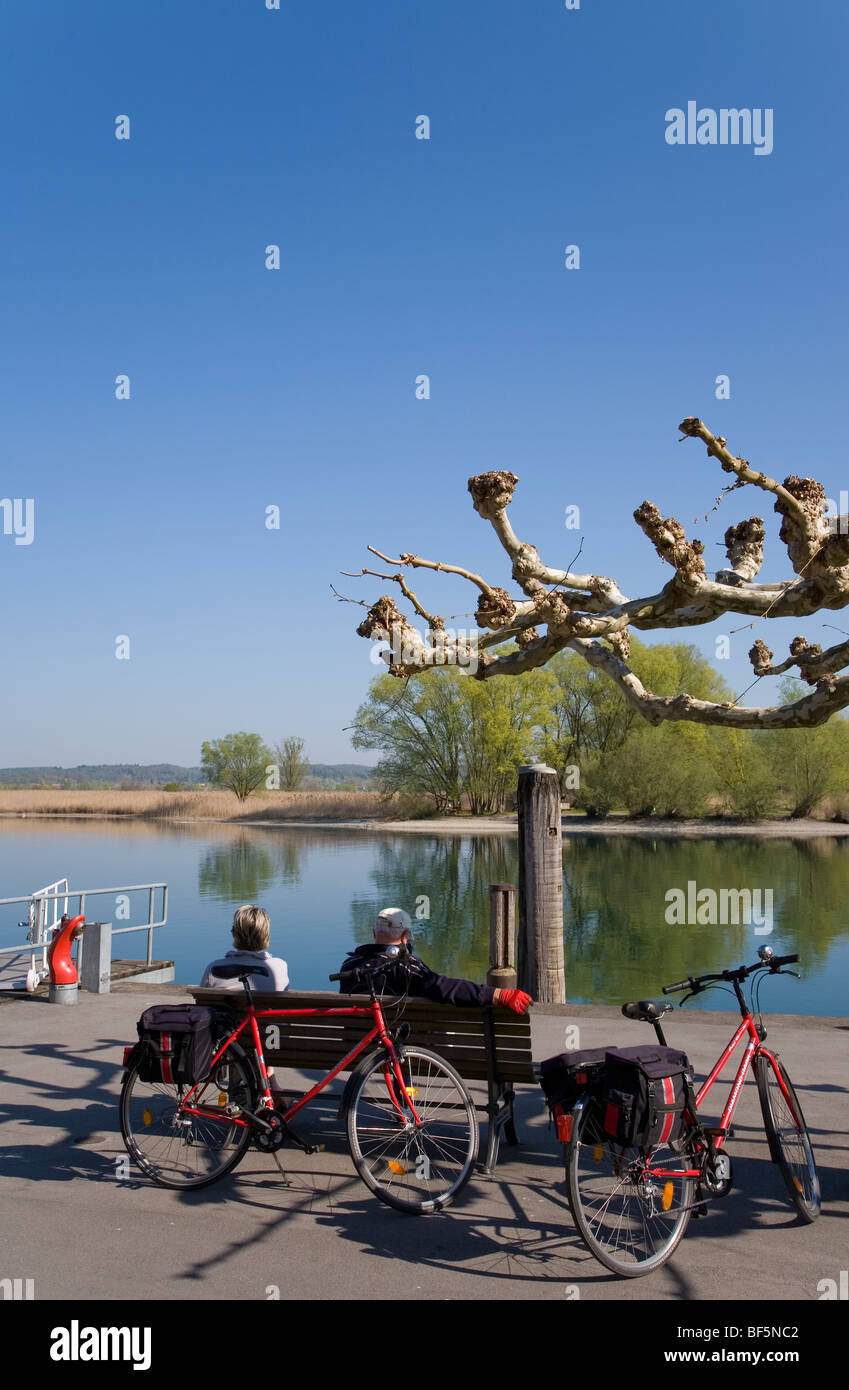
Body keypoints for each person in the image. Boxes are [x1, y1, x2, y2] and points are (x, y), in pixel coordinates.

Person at [337, 907, 532, 1013]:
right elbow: (443, 987)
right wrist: (497, 995)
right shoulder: (404, 966)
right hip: (398, 1048)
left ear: (373, 933)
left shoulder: (349, 965)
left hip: (356, 1046)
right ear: (405, 936)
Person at [200, 905, 289, 993]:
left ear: (234, 934)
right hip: (266, 1007)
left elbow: (202, 999)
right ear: (265, 935)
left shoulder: (214, 968)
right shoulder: (280, 966)